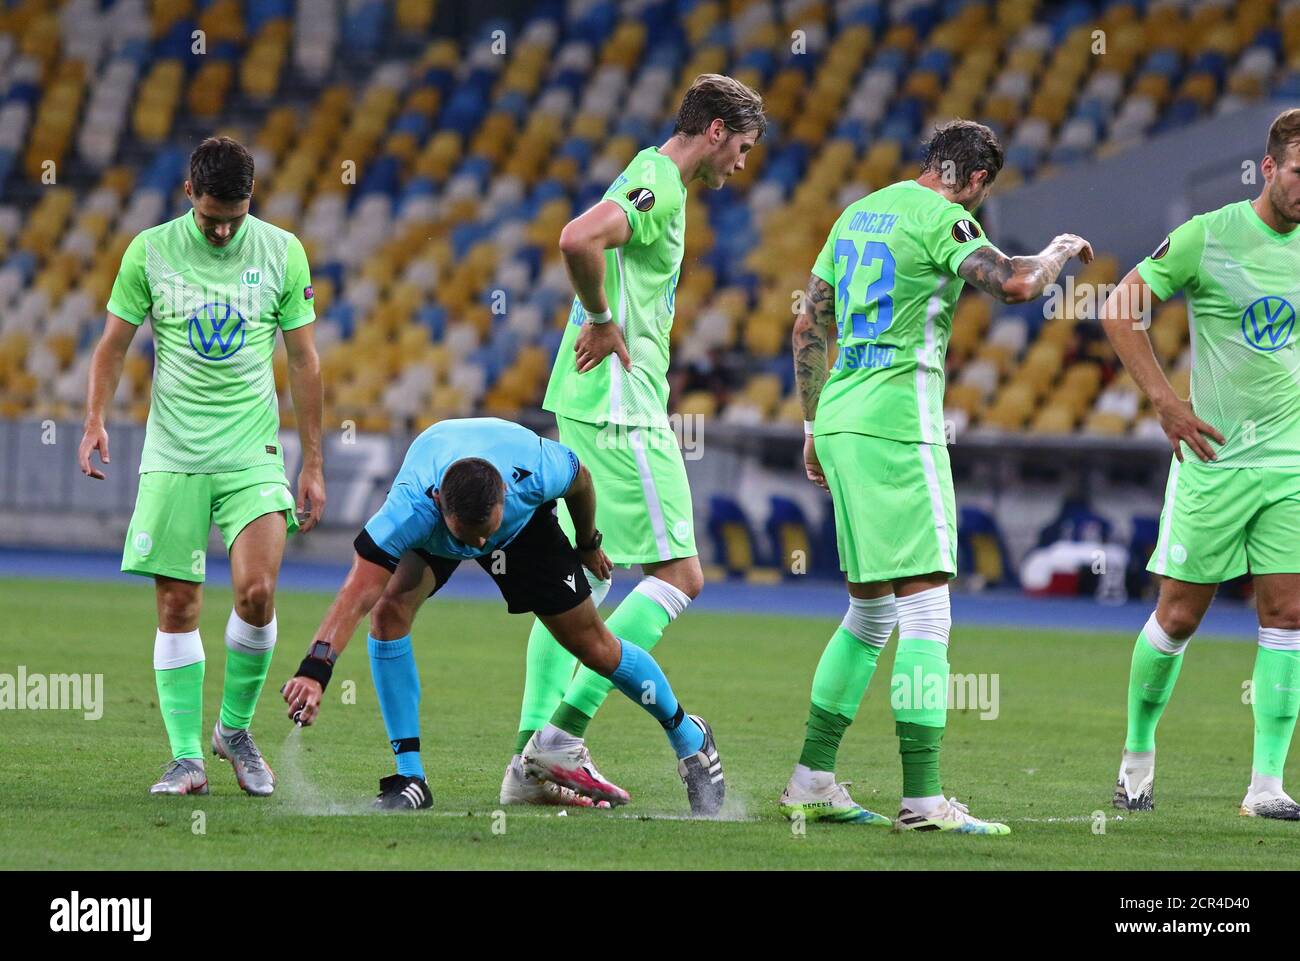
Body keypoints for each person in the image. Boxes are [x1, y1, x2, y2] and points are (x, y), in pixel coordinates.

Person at [783, 119, 1091, 833]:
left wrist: (811, 425)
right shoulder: (945, 220)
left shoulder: (858, 212)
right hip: (897, 427)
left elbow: (808, 328)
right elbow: (1014, 282)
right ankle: (923, 799)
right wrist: (1058, 251)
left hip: (839, 420)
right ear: (976, 181)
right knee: (928, 609)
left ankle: (811, 777)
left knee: (870, 612)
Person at [502, 73, 765, 806]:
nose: (741, 164)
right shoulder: (660, 181)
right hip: (621, 409)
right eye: (741, 147)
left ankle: (529, 757)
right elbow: (577, 236)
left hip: (587, 403)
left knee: (578, 578)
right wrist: (599, 316)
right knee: (680, 576)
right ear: (715, 130)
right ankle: (558, 739)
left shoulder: (646, 173)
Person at [279, 417, 725, 816]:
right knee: (388, 612)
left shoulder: (534, 472)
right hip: (440, 514)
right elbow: (354, 594)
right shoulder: (410, 509)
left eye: (485, 534)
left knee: (594, 647)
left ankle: (688, 735)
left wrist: (588, 543)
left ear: (504, 497)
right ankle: (410, 776)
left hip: (524, 530)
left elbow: (582, 482)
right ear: (439, 504)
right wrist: (315, 670)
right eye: (468, 538)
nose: (478, 549)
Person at [78, 136, 324, 797]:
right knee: (178, 603)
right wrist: (96, 417)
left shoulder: (281, 251)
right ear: (189, 193)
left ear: (252, 203)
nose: (221, 230)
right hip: (175, 452)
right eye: (211, 216)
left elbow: (304, 362)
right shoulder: (150, 251)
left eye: (234, 218)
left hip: (252, 452)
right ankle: (186, 757)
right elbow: (112, 345)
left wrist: (313, 463)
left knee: (259, 592)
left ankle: (234, 731)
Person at [1101, 109, 1300, 820]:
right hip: (1214, 457)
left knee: (1288, 613)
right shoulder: (1207, 236)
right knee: (1179, 616)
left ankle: (1266, 784)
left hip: (1291, 465)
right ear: (1269, 167)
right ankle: (1136, 757)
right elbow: (1120, 309)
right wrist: (1164, 402)